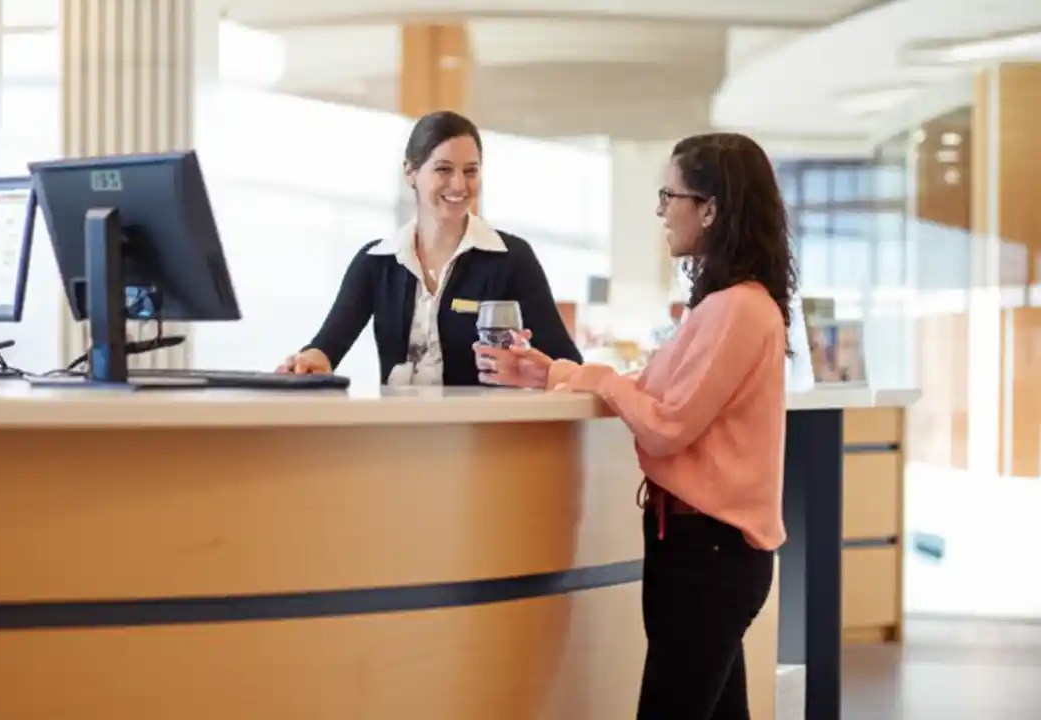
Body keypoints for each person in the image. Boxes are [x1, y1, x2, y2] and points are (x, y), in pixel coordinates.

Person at [475, 132, 797, 720]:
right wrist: (555, 374)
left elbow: (667, 425)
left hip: (709, 553)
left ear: (710, 207)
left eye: (668, 195)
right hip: (703, 548)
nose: (659, 211)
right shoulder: (728, 304)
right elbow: (650, 388)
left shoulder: (736, 309)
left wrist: (595, 382)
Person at [277, 110, 582, 385]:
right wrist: (309, 361)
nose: (460, 185)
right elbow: (328, 347)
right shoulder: (376, 261)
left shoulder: (511, 259)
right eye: (444, 169)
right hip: (399, 431)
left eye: (470, 171)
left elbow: (568, 364)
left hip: (482, 434)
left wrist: (529, 366)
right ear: (411, 172)